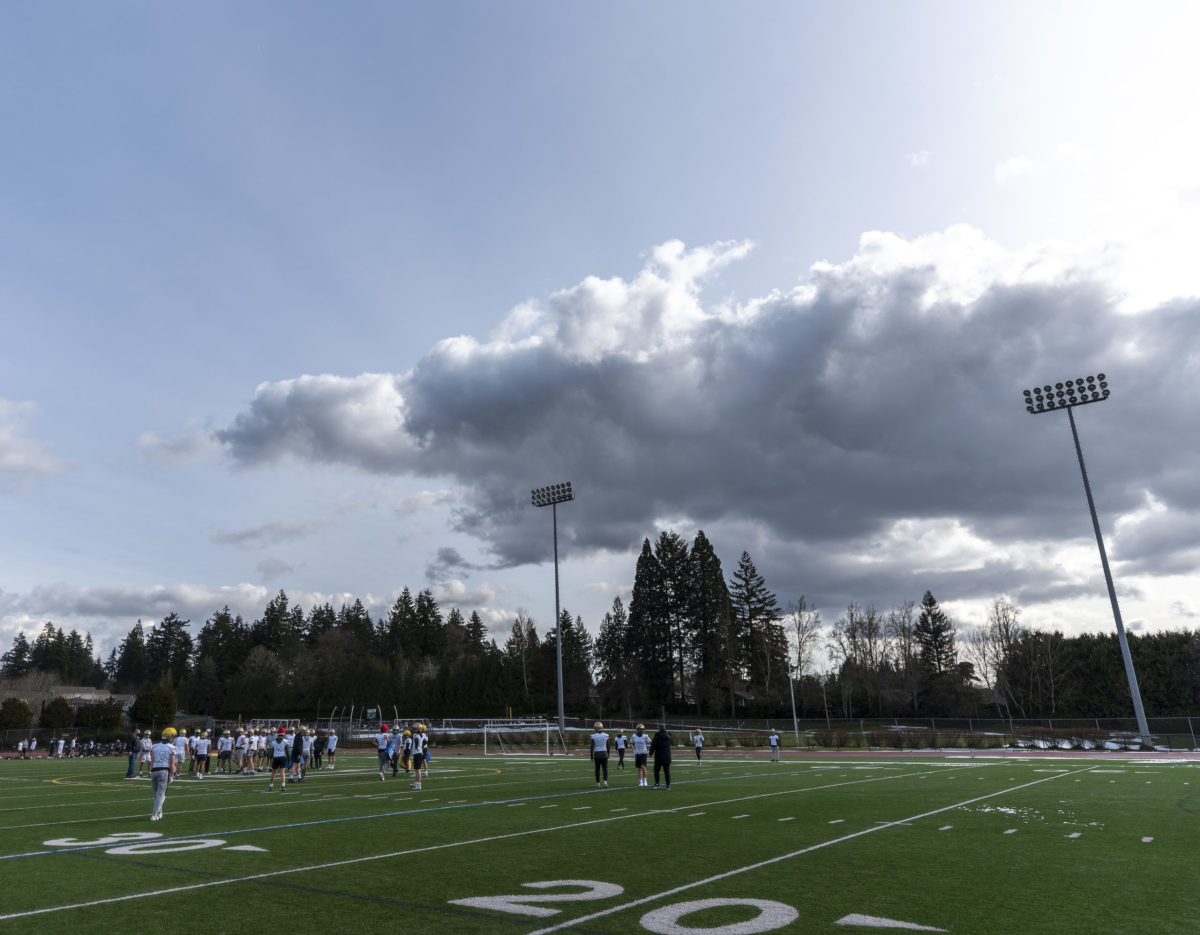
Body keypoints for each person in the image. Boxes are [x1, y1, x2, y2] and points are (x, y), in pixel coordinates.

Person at [150, 729, 177, 821]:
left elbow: (152, 761)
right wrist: (172, 775)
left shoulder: (155, 746)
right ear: (169, 737)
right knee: (161, 794)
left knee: (156, 794)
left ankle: (160, 812)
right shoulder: (171, 747)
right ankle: (154, 814)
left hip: (154, 770)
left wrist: (150, 771)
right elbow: (172, 764)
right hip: (164, 771)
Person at [267, 727, 290, 791]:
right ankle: (283, 786)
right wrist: (289, 759)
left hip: (275, 758)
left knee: (273, 773)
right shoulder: (286, 741)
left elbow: (270, 753)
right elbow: (288, 752)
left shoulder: (273, 742)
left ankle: (270, 786)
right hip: (282, 757)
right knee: (282, 772)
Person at [590, 721, 610, 789]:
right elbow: (608, 746)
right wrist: (608, 754)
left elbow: (591, 747)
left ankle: (598, 783)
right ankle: (605, 781)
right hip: (604, 753)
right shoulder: (606, 735)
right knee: (605, 769)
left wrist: (591, 757)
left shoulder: (593, 736)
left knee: (597, 769)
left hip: (597, 754)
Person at [651, 725, 673, 790]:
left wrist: (650, 753)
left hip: (659, 756)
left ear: (660, 729)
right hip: (667, 756)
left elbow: (653, 745)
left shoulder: (657, 736)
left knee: (656, 771)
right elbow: (672, 743)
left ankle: (657, 784)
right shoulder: (669, 736)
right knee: (667, 771)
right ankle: (668, 786)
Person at [410, 725, 427, 790]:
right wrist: (421, 747)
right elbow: (425, 742)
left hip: (418, 753)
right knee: (416, 769)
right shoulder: (422, 734)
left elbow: (417, 743)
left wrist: (417, 747)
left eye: (415, 728)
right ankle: (416, 782)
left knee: (418, 770)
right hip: (419, 752)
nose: (414, 729)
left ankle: (419, 784)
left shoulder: (416, 735)